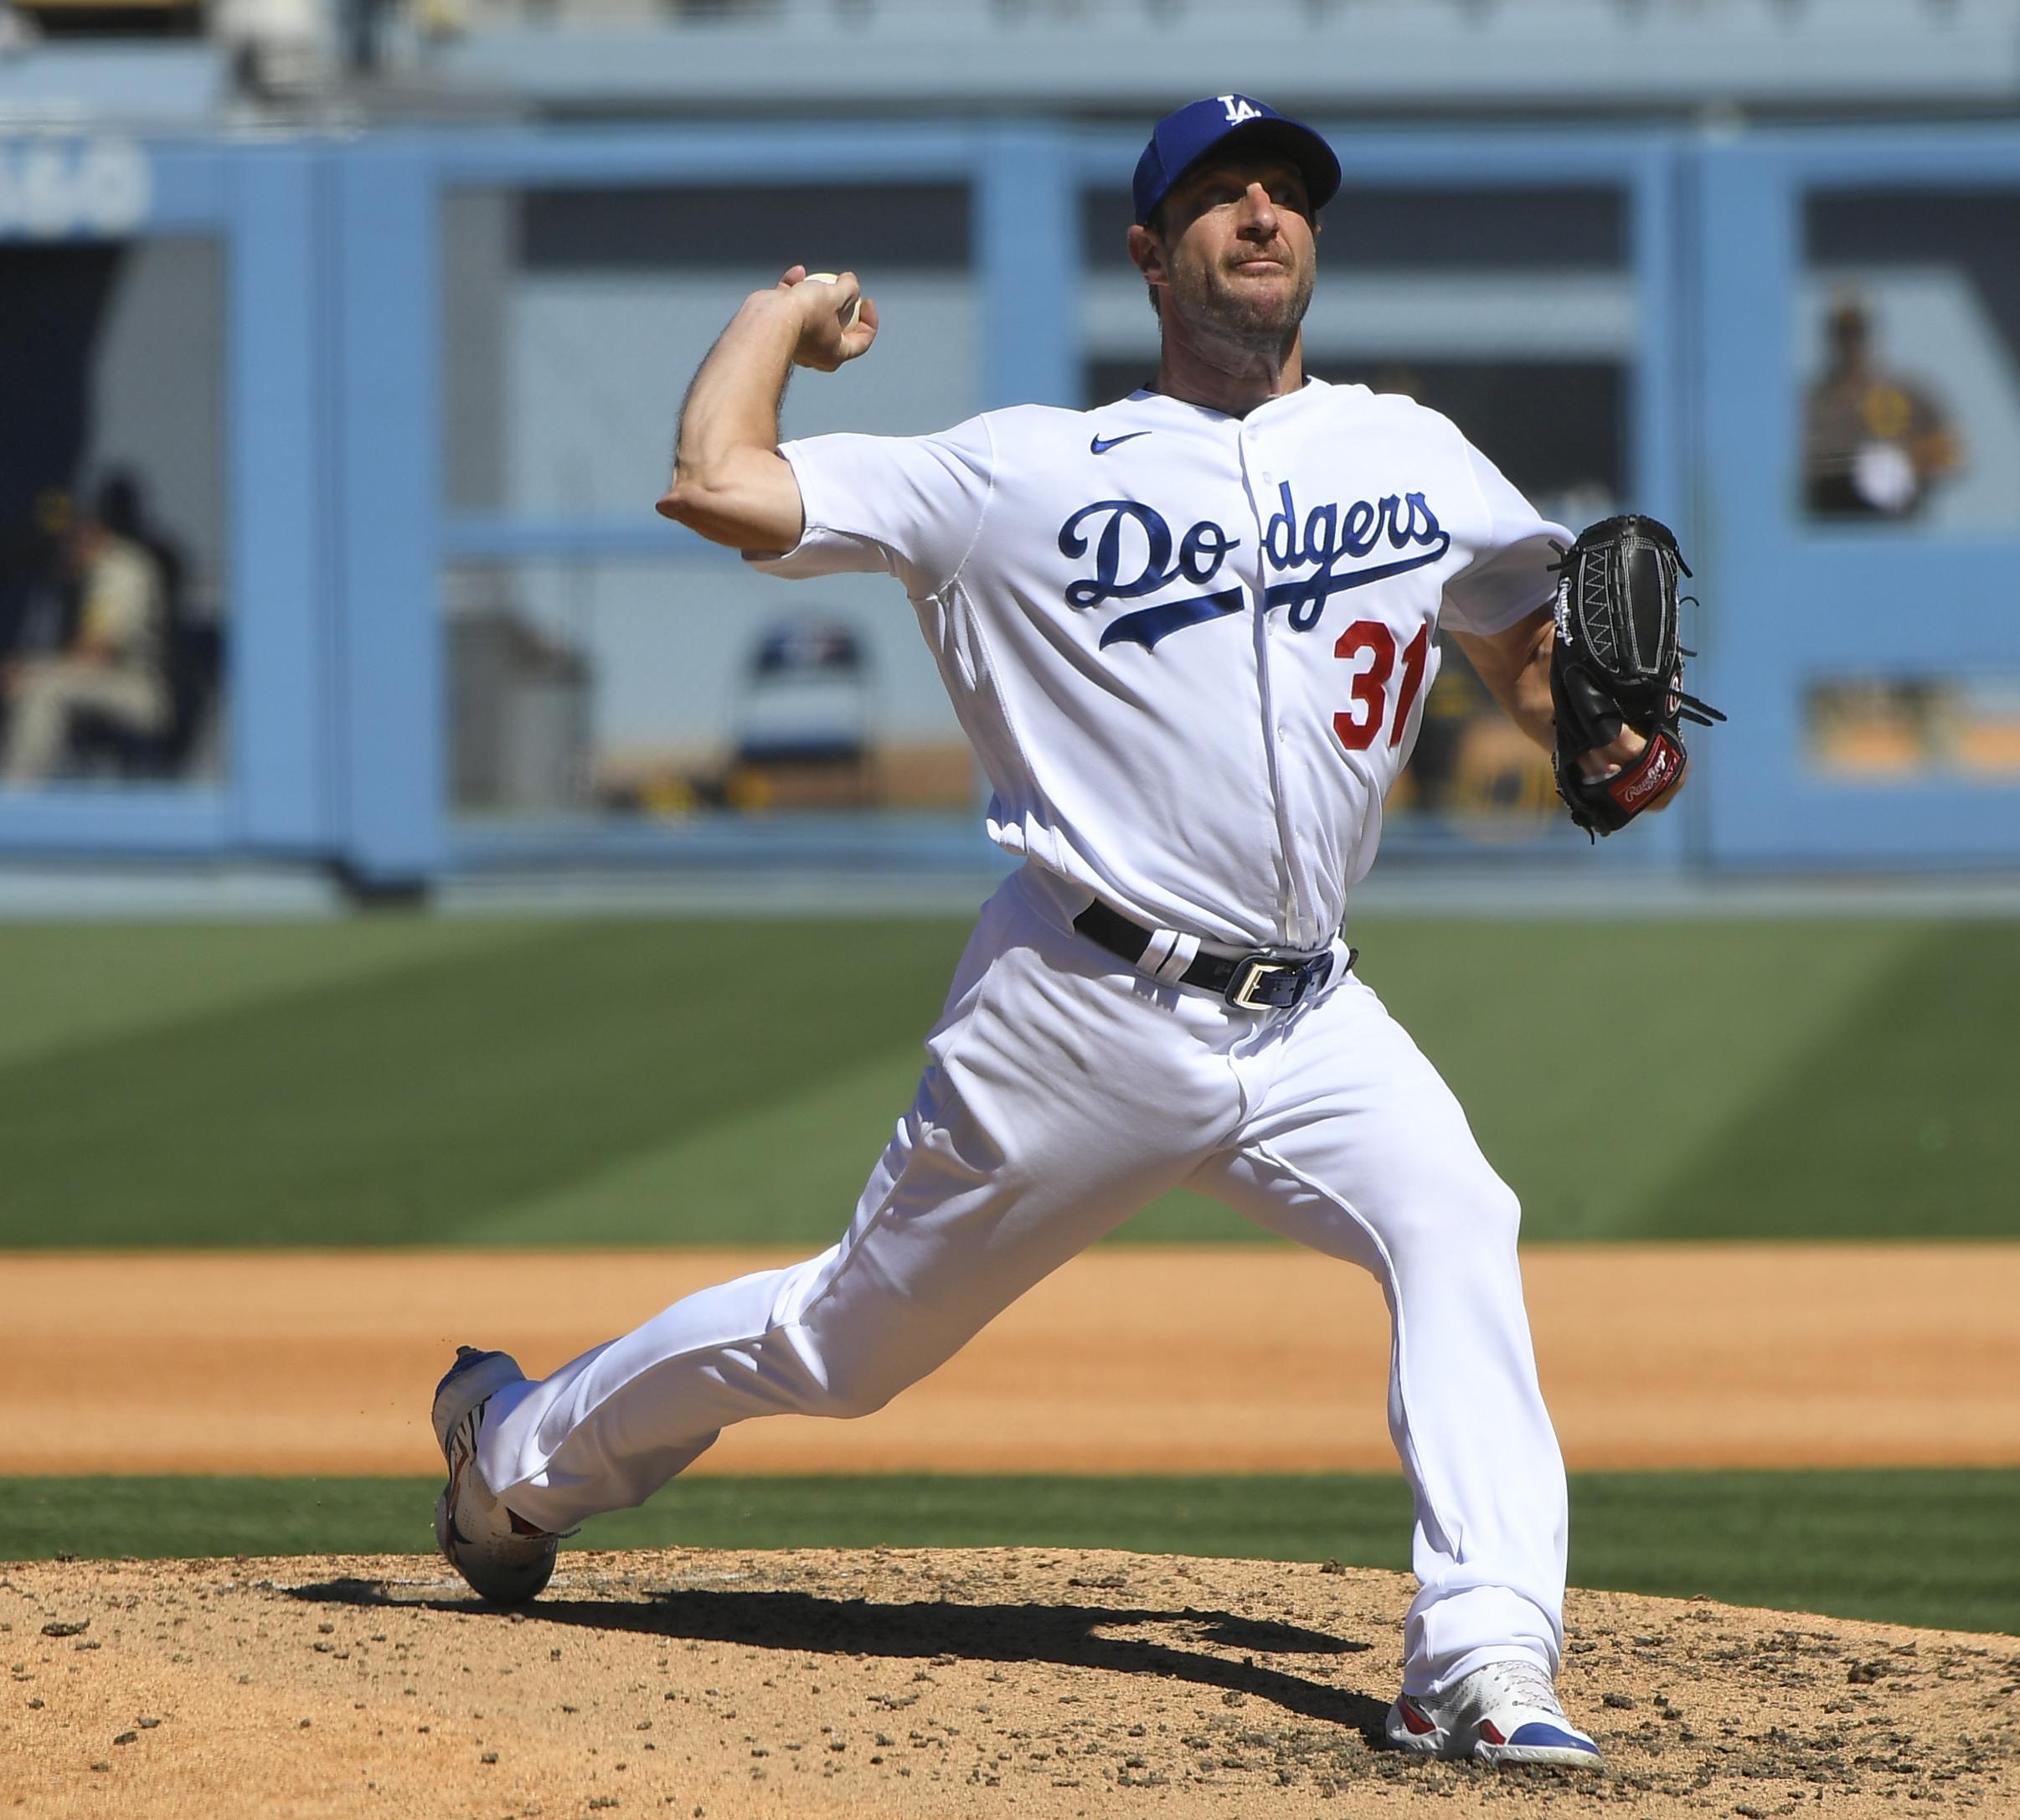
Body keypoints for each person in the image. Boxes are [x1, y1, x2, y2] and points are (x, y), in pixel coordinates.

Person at [428, 94, 1665, 1771]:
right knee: (842, 1346)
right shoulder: (1018, 473)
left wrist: (1587, 737)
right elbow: (716, 483)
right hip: (1077, 1007)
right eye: (1220, 196)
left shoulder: (1410, 452)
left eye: (1287, 193)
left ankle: (1481, 1657)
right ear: (1151, 257)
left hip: (1310, 1017)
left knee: (1459, 1218)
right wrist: (773, 319)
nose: (1262, 216)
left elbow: (1520, 632)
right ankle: (516, 1448)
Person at [1, 501, 169, 786]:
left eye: (70, 538)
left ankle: (13, 801)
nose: (63, 548)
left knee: (42, 689)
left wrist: (27, 672)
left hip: (140, 691)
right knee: (28, 682)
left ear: (92, 531)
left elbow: (95, 655)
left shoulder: (121, 569)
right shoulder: (64, 579)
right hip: (99, 683)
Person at [1801, 291, 1961, 520]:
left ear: (1870, 334)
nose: (1851, 343)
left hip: (1893, 530)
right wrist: (1841, 466)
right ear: (1832, 337)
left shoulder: (1910, 396)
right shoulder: (1810, 402)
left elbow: (1949, 455)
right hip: (1827, 527)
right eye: (1844, 333)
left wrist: (1905, 463)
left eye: (1858, 333)